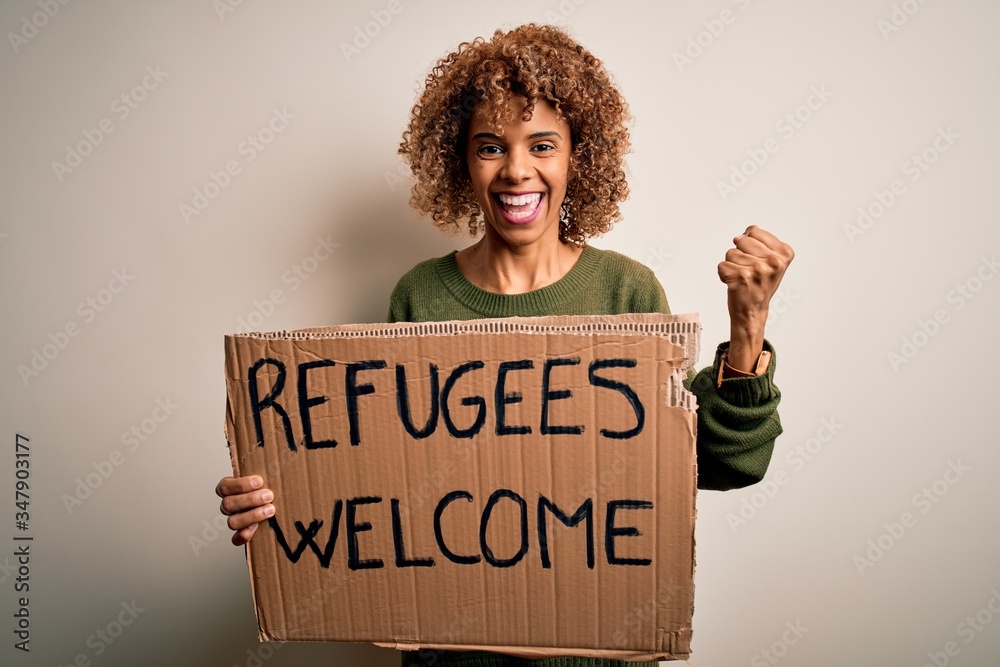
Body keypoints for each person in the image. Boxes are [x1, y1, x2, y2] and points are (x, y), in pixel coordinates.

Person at [216, 23, 793, 667]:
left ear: (578, 156)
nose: (516, 170)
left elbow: (714, 465)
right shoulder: (419, 297)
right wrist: (282, 501)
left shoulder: (627, 292)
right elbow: (384, 483)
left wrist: (748, 326)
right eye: (490, 147)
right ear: (461, 162)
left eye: (542, 145)